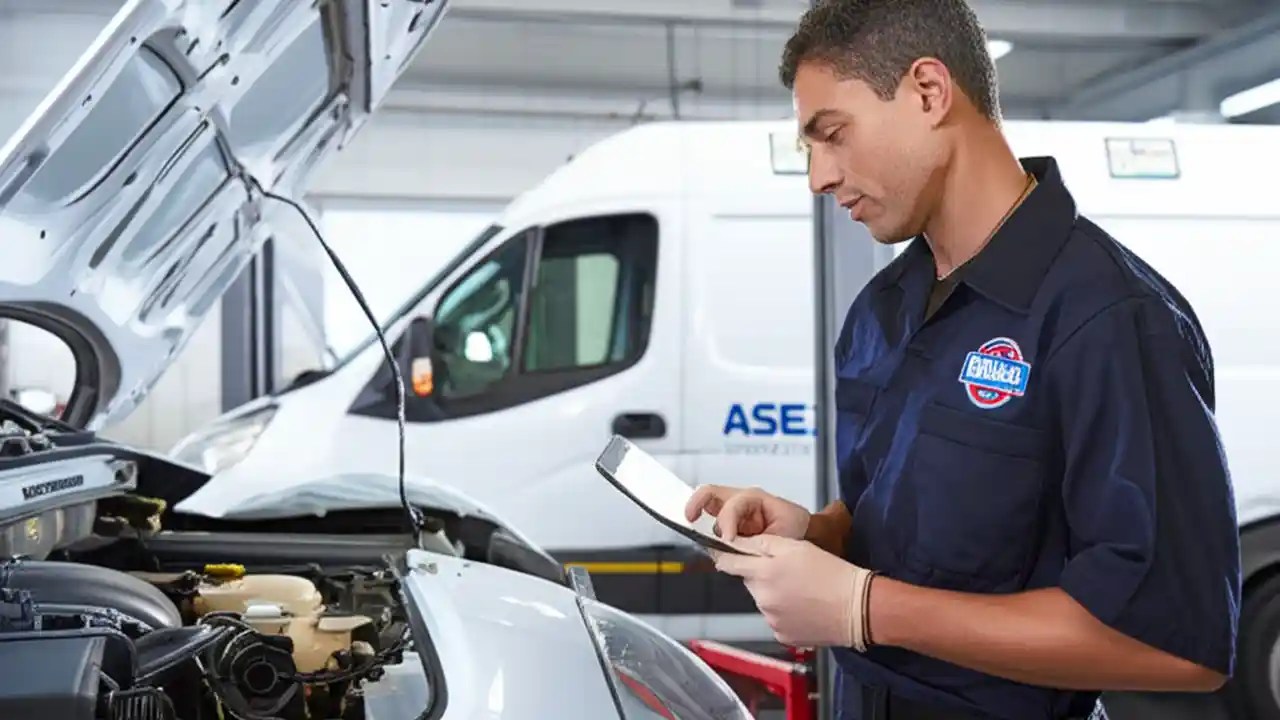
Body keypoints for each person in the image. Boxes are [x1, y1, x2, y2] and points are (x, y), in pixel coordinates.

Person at [684, 1, 1241, 718]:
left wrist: (864, 607)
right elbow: (897, 514)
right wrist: (818, 535)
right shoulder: (883, 310)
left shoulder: (1109, 319)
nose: (819, 177)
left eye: (833, 135)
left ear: (928, 92)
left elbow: (1180, 646)